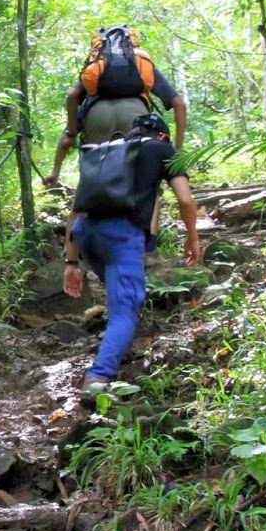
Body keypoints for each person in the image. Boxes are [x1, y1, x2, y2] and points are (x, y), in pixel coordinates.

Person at [62, 113, 201, 400]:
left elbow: (75, 211)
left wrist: (71, 263)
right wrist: (192, 236)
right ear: (163, 135)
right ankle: (98, 378)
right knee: (126, 310)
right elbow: (186, 199)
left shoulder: (107, 153)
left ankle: (117, 340)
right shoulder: (163, 149)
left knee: (120, 298)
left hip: (86, 233)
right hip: (121, 235)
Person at [43, 27, 188, 186]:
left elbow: (72, 96)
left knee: (94, 185)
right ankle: (149, 205)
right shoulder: (141, 65)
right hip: (136, 119)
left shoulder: (97, 67)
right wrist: (177, 154)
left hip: (97, 118)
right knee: (143, 187)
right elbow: (179, 104)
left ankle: (89, 204)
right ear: (132, 43)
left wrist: (70, 134)